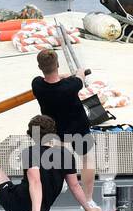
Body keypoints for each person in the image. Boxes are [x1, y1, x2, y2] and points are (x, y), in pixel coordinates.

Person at [31, 49, 96, 201]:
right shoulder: (71, 85)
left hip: (53, 132)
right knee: (88, 159)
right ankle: (88, 199)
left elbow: (51, 78)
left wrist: (62, 76)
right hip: (78, 129)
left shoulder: (37, 85)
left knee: (58, 158)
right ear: (58, 64)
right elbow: (79, 78)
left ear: (40, 67)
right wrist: (79, 71)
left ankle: (61, 180)